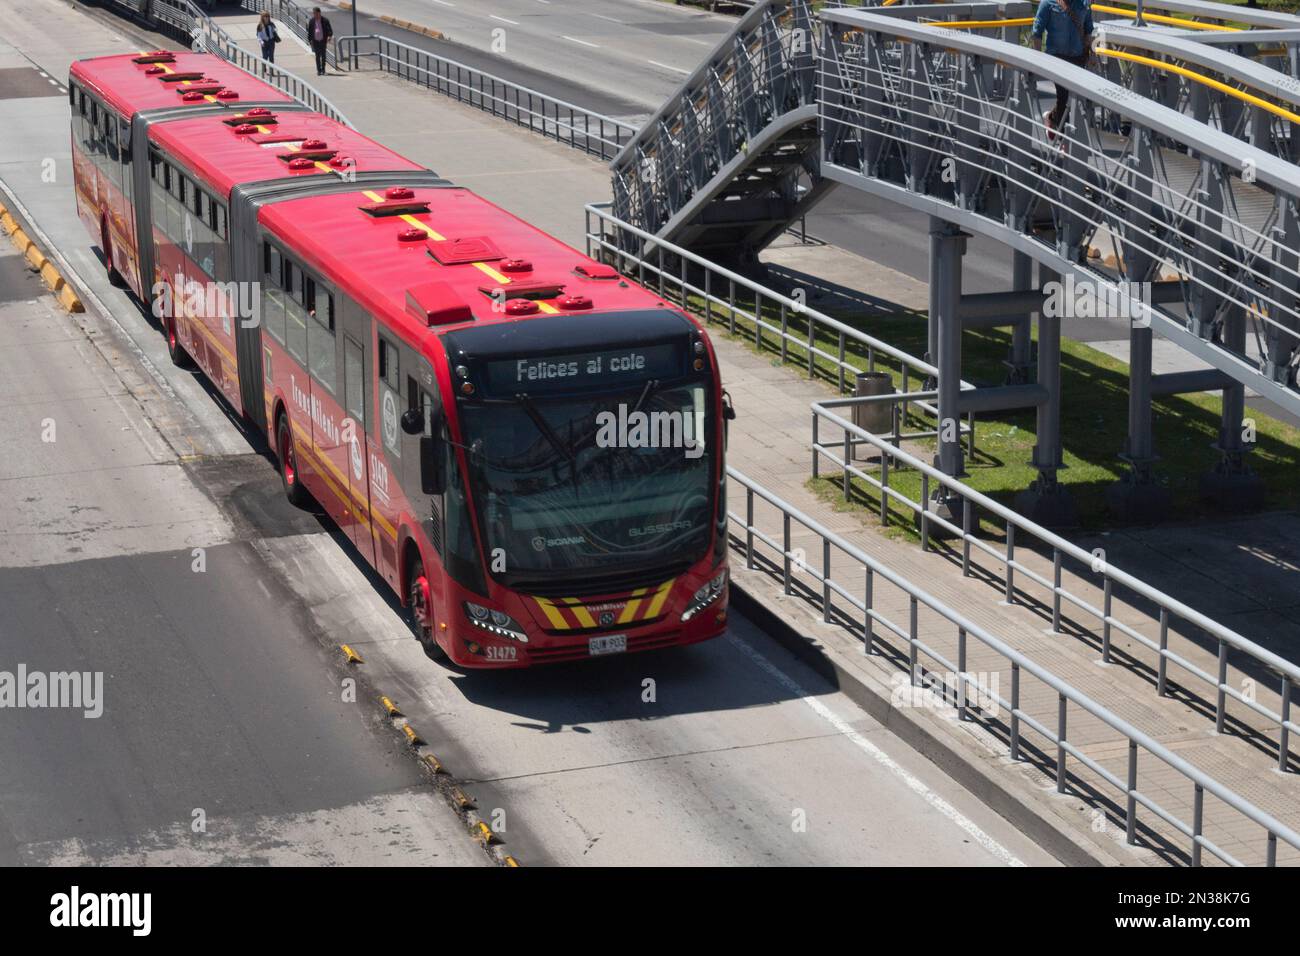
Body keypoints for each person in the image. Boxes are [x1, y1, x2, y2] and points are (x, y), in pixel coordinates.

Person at [1030, 0, 1094, 139]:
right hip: (1056, 58)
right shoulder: (1048, 3)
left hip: (1077, 58)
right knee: (1064, 95)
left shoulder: (1083, 3)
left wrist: (1088, 53)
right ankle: (1064, 138)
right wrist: (1038, 59)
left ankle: (1052, 118)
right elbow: (1037, 31)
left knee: (1074, 98)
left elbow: (1088, 28)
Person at [308, 7, 333, 76]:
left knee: (323, 56)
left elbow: (329, 30)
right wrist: (310, 40)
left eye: (315, 13)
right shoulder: (312, 21)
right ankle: (319, 70)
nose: (314, 15)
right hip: (315, 41)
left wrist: (329, 36)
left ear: (319, 13)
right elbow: (309, 31)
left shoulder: (325, 20)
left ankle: (323, 70)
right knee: (317, 56)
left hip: (322, 40)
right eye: (314, 13)